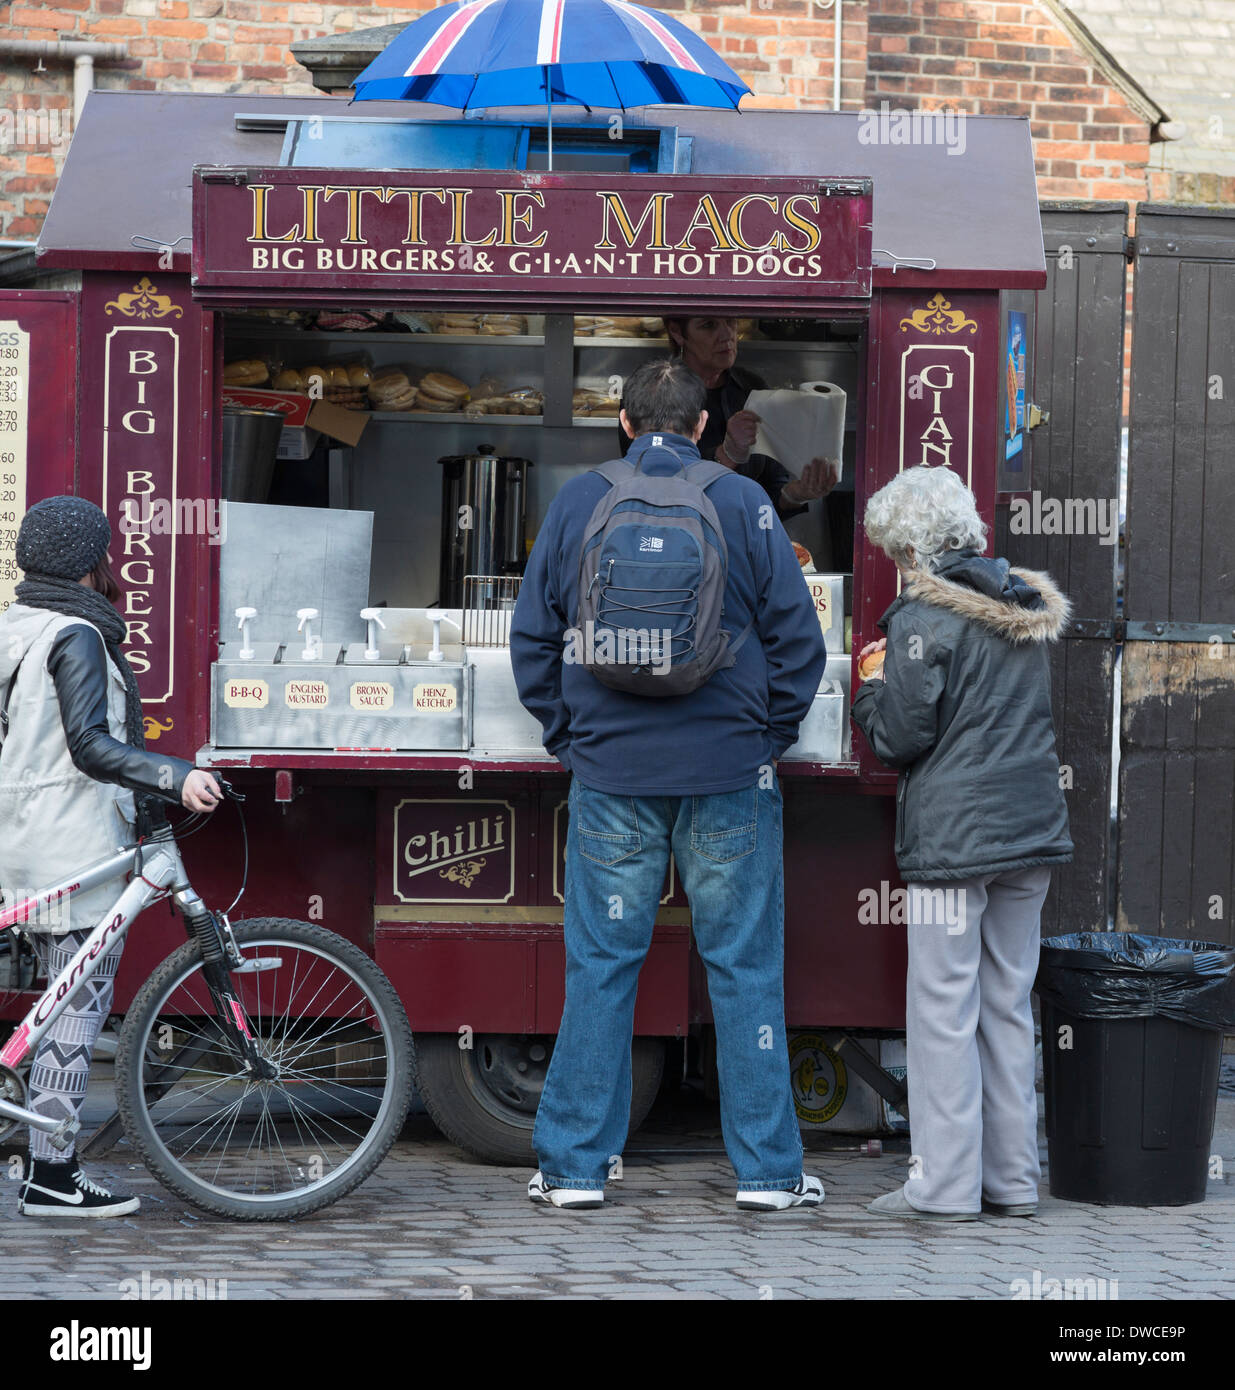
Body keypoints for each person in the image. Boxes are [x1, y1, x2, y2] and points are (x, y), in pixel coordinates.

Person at [511, 357, 828, 1211]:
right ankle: (767, 1177)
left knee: (602, 967)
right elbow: (799, 644)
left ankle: (573, 1171)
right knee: (743, 969)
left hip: (612, 776)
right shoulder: (742, 501)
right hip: (727, 773)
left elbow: (533, 637)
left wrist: (570, 735)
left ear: (622, 422)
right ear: (701, 428)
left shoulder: (580, 500)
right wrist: (761, 738)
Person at [849, 465, 1073, 1221]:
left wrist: (870, 684)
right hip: (1029, 830)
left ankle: (942, 1187)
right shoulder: (1015, 602)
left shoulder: (922, 619)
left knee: (944, 1006)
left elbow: (898, 737)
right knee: (1006, 1004)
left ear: (911, 548)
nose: (894, 566)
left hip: (954, 842)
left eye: (892, 552)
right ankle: (1010, 1182)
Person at [0, 496, 221, 1217]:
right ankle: (52, 1176)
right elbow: (90, 745)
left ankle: (45, 1160)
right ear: (89, 562)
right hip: (68, 841)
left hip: (21, 836)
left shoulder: (16, 626)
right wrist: (174, 775)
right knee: (79, 999)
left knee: (57, 996)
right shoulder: (78, 636)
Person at [620, 315, 840, 520]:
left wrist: (795, 494)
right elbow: (652, 479)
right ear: (677, 332)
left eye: (731, 322)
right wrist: (725, 455)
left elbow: (771, 494)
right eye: (709, 325)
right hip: (679, 543)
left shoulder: (752, 389)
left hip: (742, 543)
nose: (727, 335)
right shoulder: (652, 391)